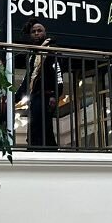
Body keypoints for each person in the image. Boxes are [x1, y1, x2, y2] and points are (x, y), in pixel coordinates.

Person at [16, 19, 64, 149]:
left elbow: (58, 73)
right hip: (35, 96)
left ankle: (40, 149)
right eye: (33, 31)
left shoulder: (51, 50)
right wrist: (15, 97)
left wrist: (55, 94)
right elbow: (29, 78)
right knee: (37, 127)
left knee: (42, 126)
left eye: (39, 31)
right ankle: (39, 149)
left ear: (45, 33)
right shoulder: (33, 54)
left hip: (47, 96)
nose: (36, 33)